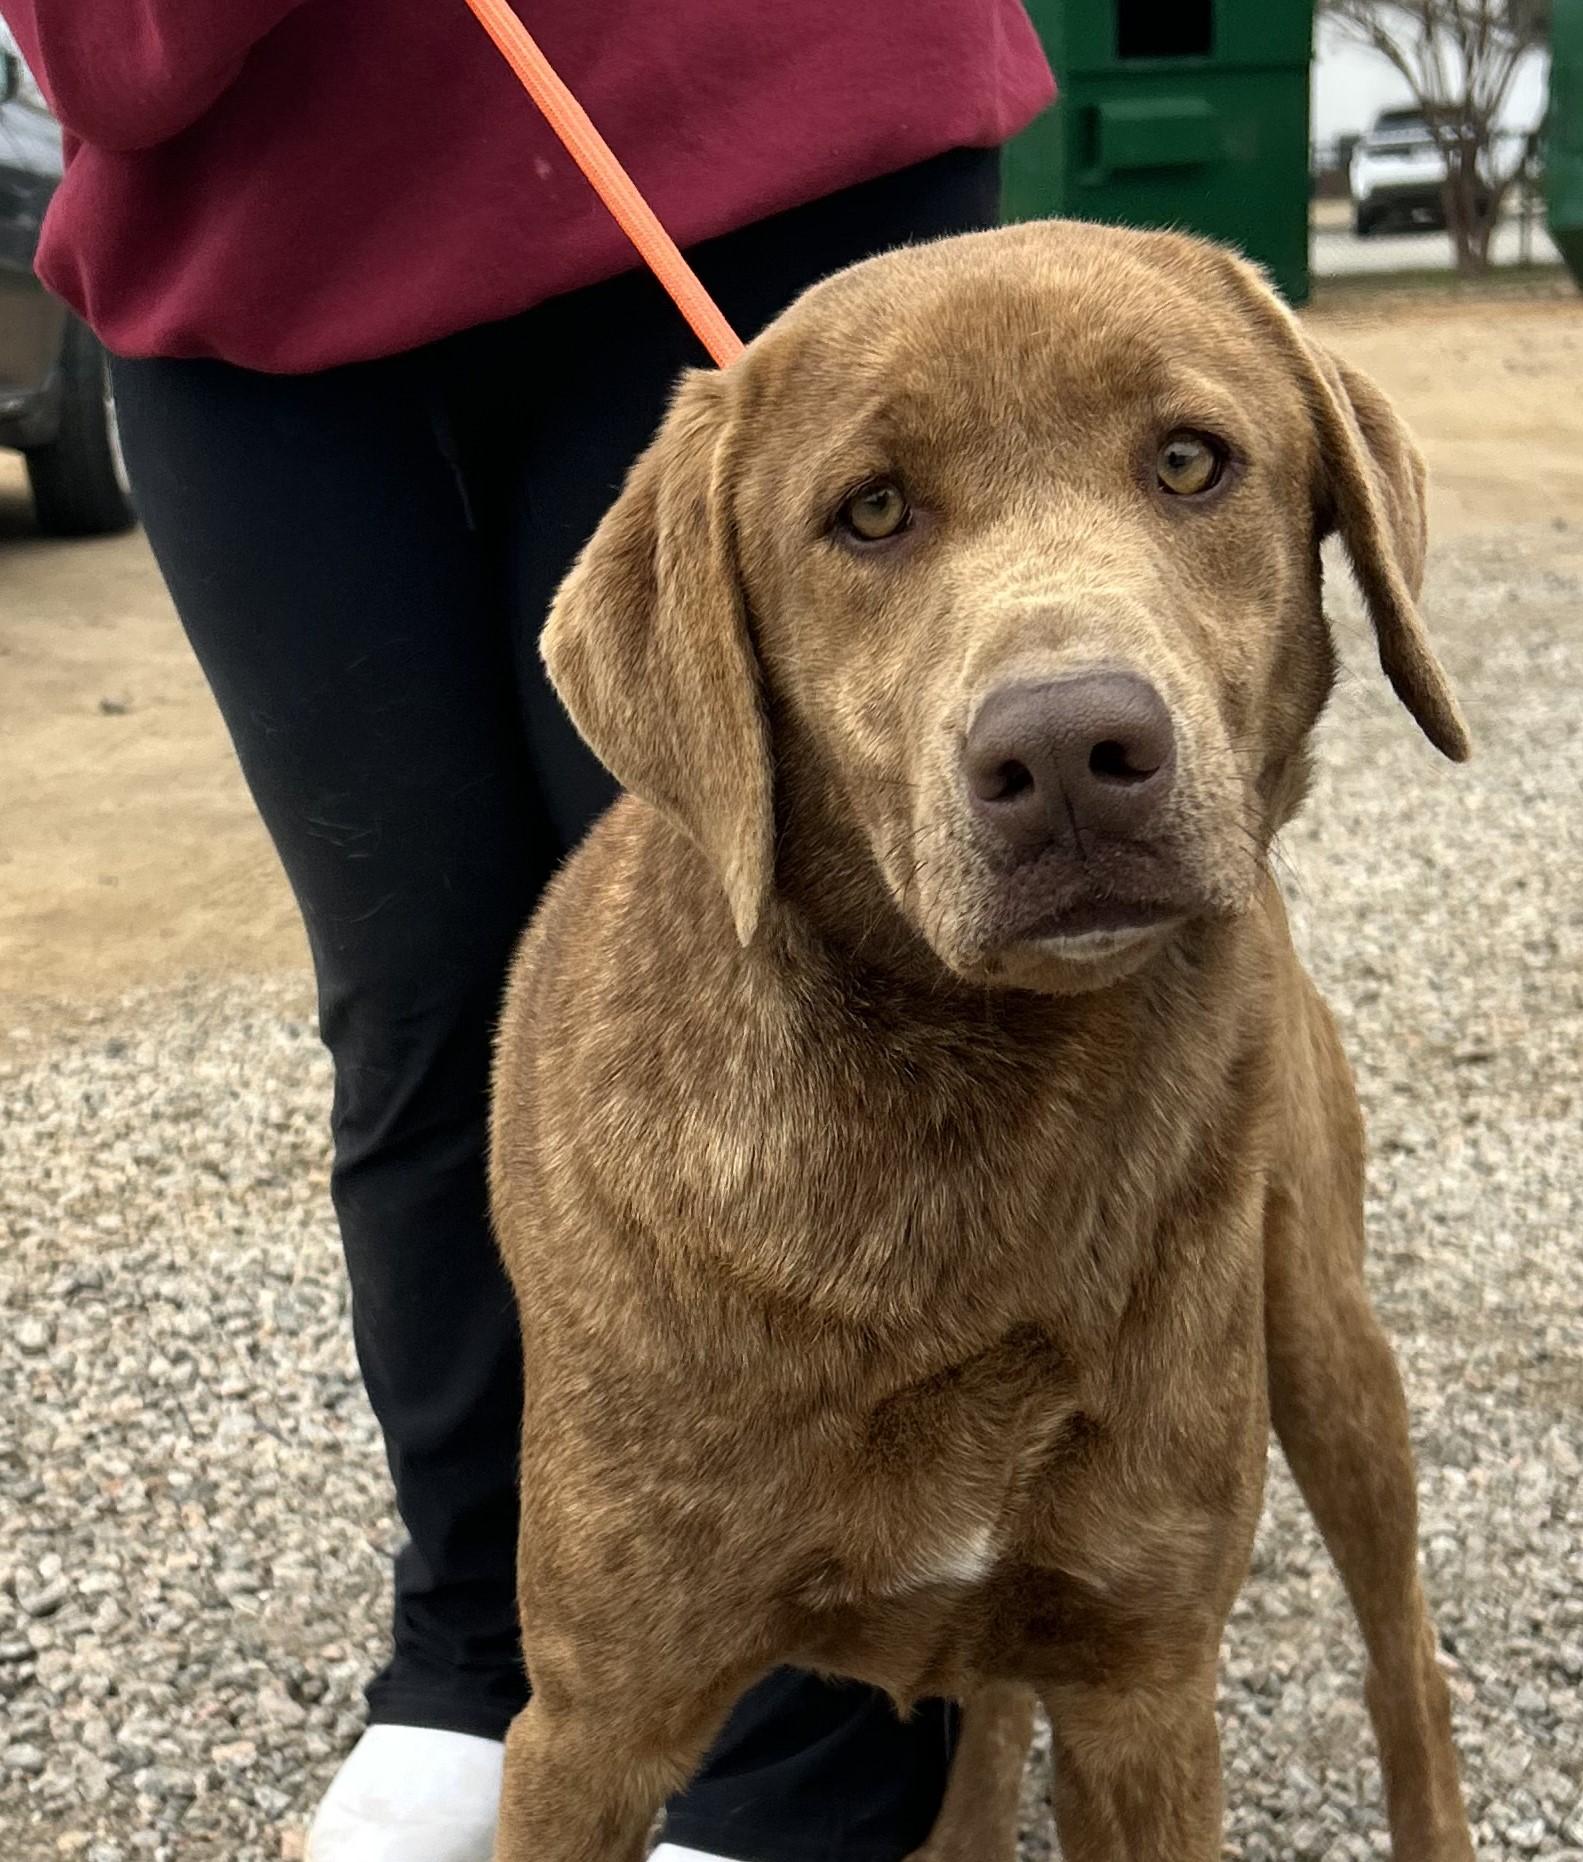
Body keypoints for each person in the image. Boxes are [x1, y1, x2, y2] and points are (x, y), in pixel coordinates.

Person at [6, 5, 1054, 1858]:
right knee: (428, 1003)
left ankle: (821, 1736)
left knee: (800, 974)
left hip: (761, 137)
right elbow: (126, 63)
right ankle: (485, 1638)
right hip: (261, 286)